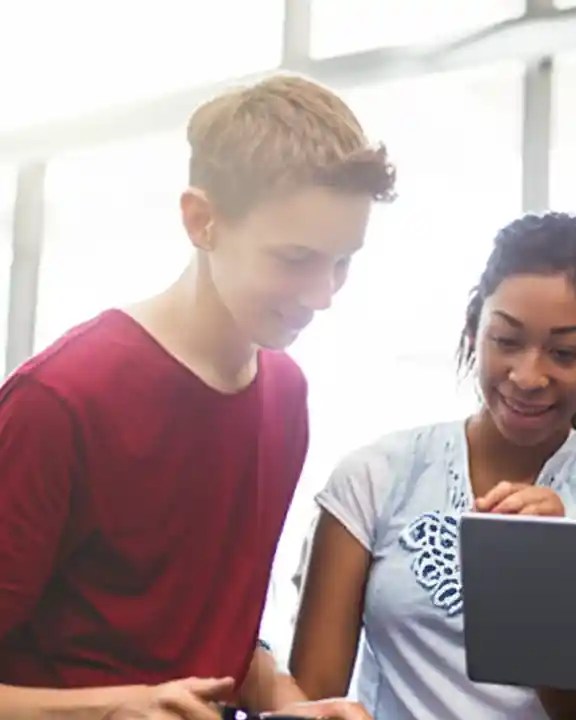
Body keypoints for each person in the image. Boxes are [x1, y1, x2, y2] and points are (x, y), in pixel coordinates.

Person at [0, 74, 395, 719]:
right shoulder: (61, 400)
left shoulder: (284, 396)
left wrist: (291, 706)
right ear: (201, 221)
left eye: (342, 261)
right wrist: (106, 711)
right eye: (295, 258)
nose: (324, 293)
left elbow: (218, 641)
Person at [288, 212, 576, 720]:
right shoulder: (377, 474)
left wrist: (550, 568)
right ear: (473, 332)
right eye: (507, 341)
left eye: (565, 352)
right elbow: (312, 700)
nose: (529, 376)